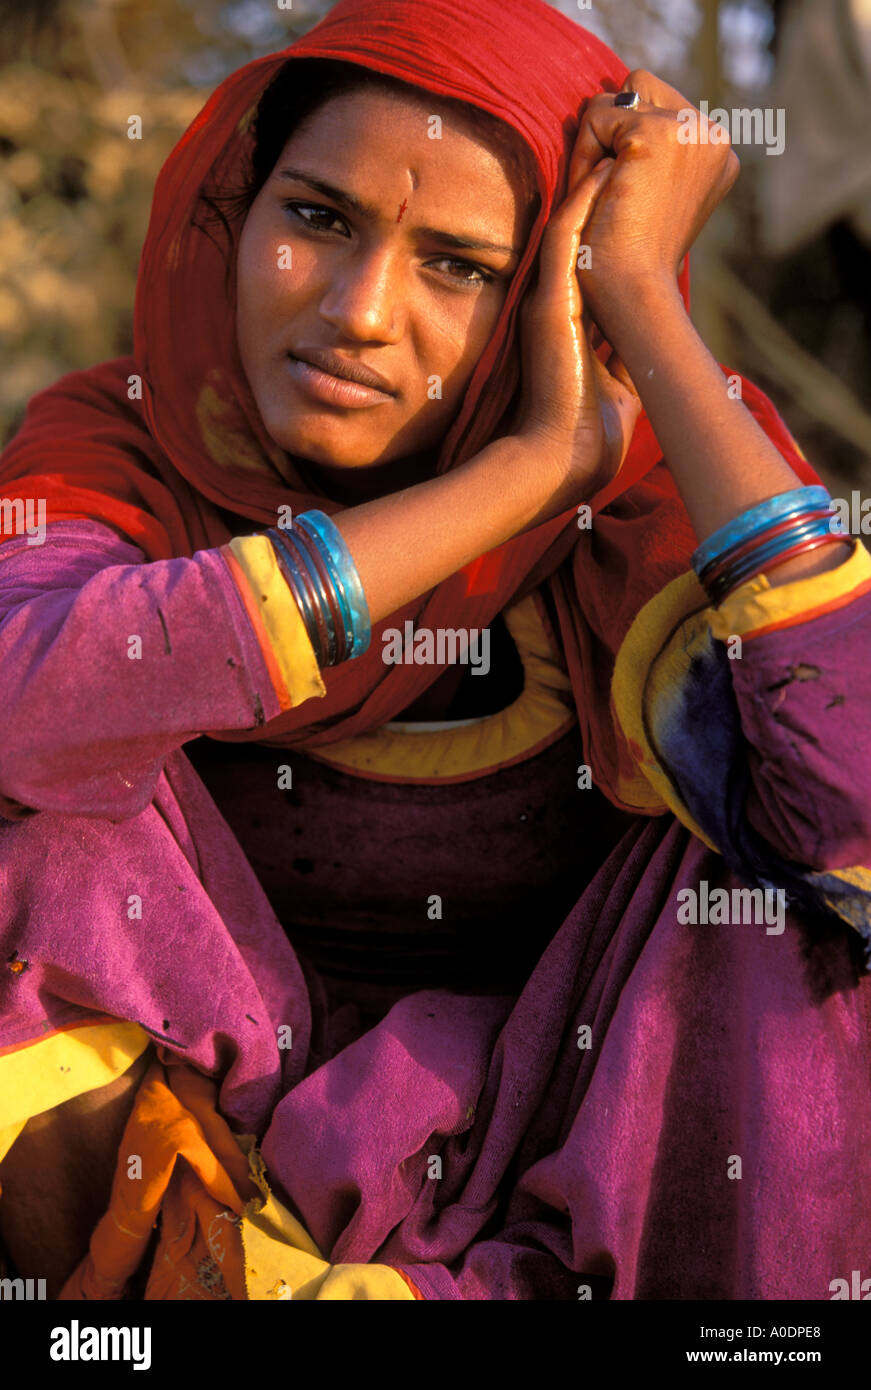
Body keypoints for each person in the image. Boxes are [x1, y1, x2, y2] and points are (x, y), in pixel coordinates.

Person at [0, 0, 870, 1302]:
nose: (359, 312)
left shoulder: (630, 504)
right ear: (234, 213)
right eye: (317, 219)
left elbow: (853, 800)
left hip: (557, 1168)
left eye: (460, 266)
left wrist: (645, 309)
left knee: (799, 896)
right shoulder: (129, 450)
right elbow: (28, 704)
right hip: (178, 1191)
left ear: (550, 303)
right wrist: (518, 469)